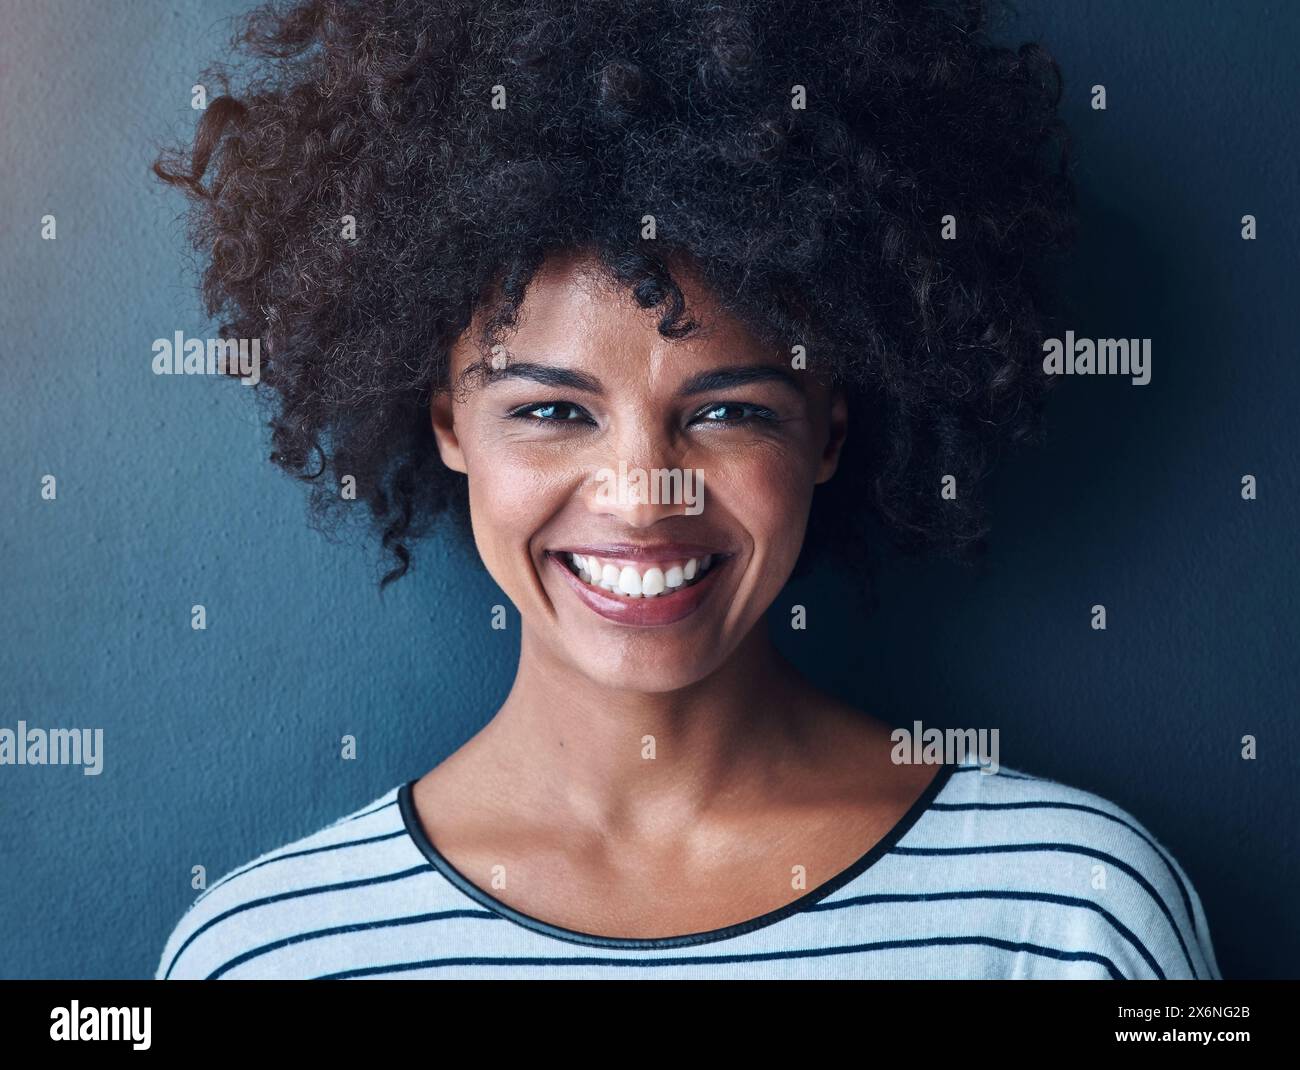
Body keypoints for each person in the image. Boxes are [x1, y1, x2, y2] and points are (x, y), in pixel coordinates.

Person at [153, 0, 1220, 979]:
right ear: (448, 425)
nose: (641, 493)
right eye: (552, 409)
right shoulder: (264, 949)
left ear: (827, 433)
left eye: (727, 409)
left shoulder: (1072, 910)